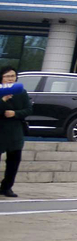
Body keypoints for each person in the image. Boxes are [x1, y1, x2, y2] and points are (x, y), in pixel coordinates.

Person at [0, 67, 32, 198]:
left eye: (13, 76)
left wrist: (15, 113)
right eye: (7, 76)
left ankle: (7, 187)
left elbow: (29, 109)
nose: (10, 78)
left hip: (15, 130)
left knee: (14, 161)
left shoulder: (21, 92)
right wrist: (2, 101)